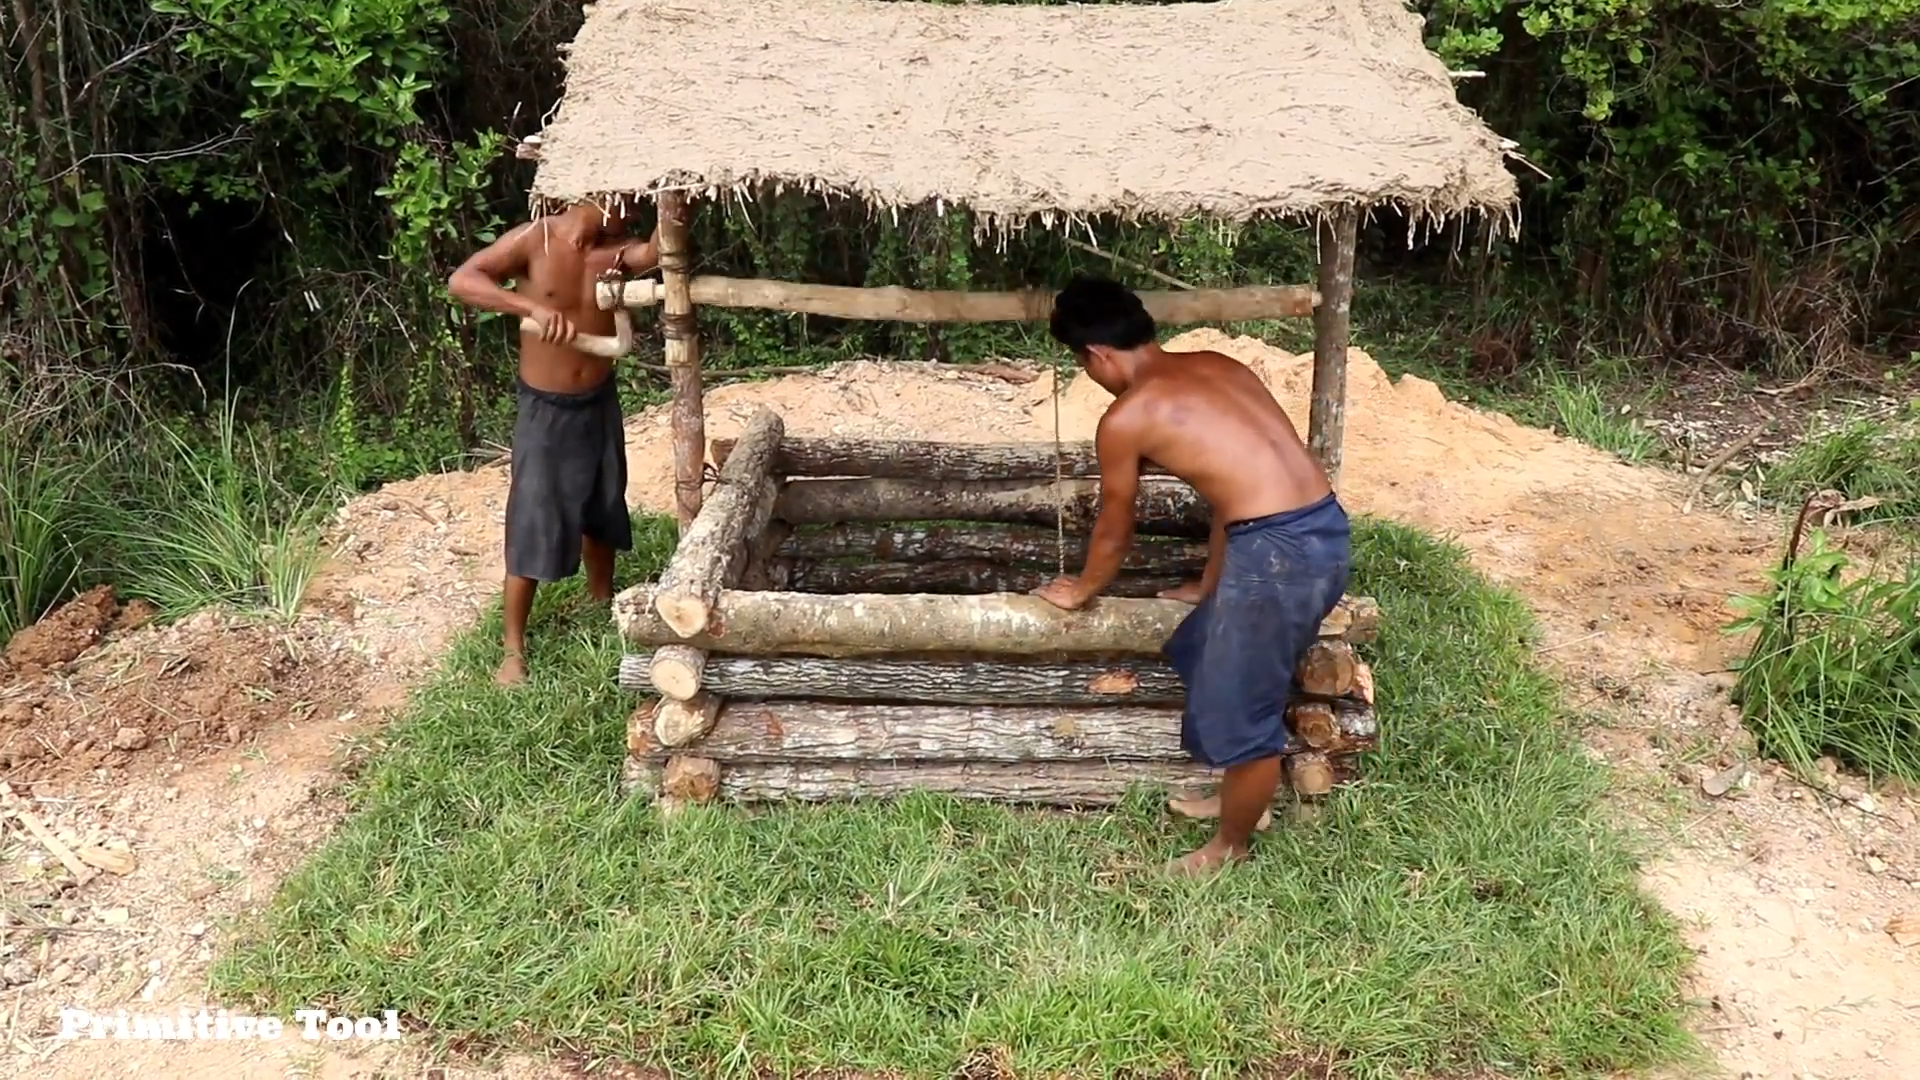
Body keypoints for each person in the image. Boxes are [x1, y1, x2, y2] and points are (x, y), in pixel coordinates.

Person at [1031, 275, 1352, 875]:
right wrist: (1209, 586)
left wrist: (1081, 589)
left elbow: (1115, 525)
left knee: (1243, 707)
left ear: (1096, 355)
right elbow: (1240, 496)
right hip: (1321, 530)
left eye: (1083, 364)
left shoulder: (1128, 416)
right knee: (1200, 643)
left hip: (1277, 556)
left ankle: (1232, 841)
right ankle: (1239, 795)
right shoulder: (1218, 365)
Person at [448, 200, 660, 685]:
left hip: (598, 397)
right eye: (626, 203)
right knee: (534, 512)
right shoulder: (535, 240)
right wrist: (530, 306)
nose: (631, 214)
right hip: (545, 408)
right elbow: (464, 280)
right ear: (601, 199)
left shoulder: (614, 252)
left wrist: (678, 215)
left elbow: (651, 252)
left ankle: (600, 598)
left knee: (603, 497)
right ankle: (512, 650)